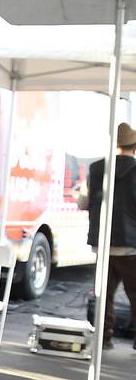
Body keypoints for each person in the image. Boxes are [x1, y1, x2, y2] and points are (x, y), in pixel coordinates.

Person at [76, 121, 136, 350]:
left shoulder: (96, 168)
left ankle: (104, 338)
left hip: (102, 243)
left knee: (104, 295)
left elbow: (83, 202)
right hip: (131, 246)